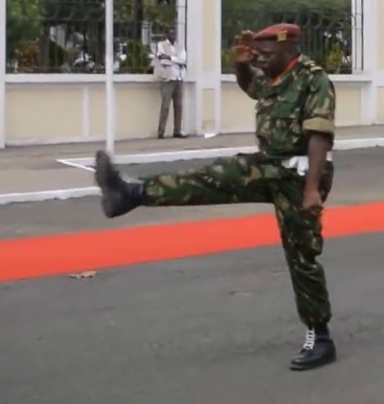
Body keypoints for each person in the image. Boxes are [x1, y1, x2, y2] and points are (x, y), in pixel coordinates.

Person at [92, 23, 339, 370]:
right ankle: (130, 194)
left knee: (301, 255)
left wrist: (312, 189)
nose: (260, 60)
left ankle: (321, 337)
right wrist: (240, 65)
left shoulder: (314, 79)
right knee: (212, 177)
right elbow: (251, 87)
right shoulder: (273, 77)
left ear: (289, 47)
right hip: (268, 165)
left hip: (301, 176)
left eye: (266, 54)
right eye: (257, 54)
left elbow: (319, 137)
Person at [153, 27, 187, 139]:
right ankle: (161, 131)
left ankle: (177, 130)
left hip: (178, 79)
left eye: (174, 33)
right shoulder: (161, 45)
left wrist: (170, 58)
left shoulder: (180, 46)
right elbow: (162, 60)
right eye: (171, 33)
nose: (173, 36)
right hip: (167, 79)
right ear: (166, 34)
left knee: (179, 106)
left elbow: (184, 60)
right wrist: (175, 60)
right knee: (165, 106)